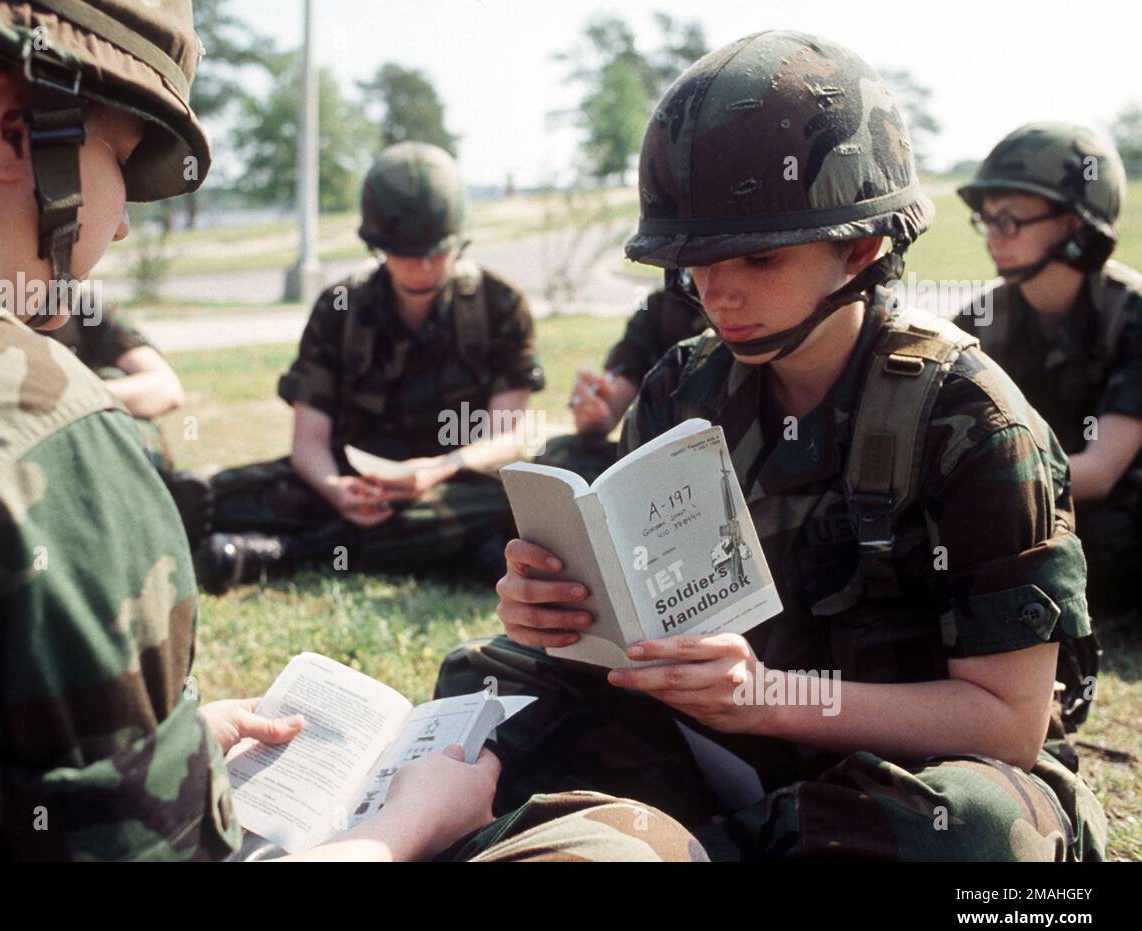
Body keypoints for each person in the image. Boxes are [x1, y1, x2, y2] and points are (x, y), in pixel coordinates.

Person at [0, 0, 698, 864]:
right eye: (122, 162)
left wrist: (426, 475)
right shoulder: (39, 426)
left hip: (443, 484)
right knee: (634, 845)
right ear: (13, 131)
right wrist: (408, 825)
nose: (126, 220)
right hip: (345, 491)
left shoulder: (497, 309)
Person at [433, 30, 1108, 861]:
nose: (717, 291)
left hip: (909, 770)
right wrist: (558, 614)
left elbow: (1008, 721)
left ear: (860, 248)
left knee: (983, 832)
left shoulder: (972, 422)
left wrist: (767, 698)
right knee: (488, 679)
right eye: (693, 263)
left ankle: (656, 843)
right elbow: (645, 623)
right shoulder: (683, 388)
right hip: (724, 749)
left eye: (756, 255)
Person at [177, 142, 546, 594]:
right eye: (406, 253)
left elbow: (507, 435)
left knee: (513, 501)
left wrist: (435, 469)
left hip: (455, 481)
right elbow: (309, 440)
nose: (424, 266)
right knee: (222, 497)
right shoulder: (341, 307)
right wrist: (335, 489)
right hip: (355, 481)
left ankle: (294, 554)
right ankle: (448, 551)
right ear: (377, 247)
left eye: (437, 251)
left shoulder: (499, 305)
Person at [953, 122, 1142, 617]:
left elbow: (1100, 473)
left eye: (1011, 220)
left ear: (1076, 226)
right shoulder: (981, 321)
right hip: (1034, 506)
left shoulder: (1132, 316)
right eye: (988, 220)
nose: (994, 236)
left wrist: (978, 493)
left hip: (1112, 513)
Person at [535, 286, 706, 484]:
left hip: (715, 463)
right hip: (656, 461)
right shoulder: (661, 306)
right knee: (558, 457)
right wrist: (596, 410)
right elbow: (620, 385)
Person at [44, 283, 184, 476]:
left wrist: (70, 398)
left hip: (96, 451)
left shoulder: (82, 306)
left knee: (117, 391)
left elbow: (167, 389)